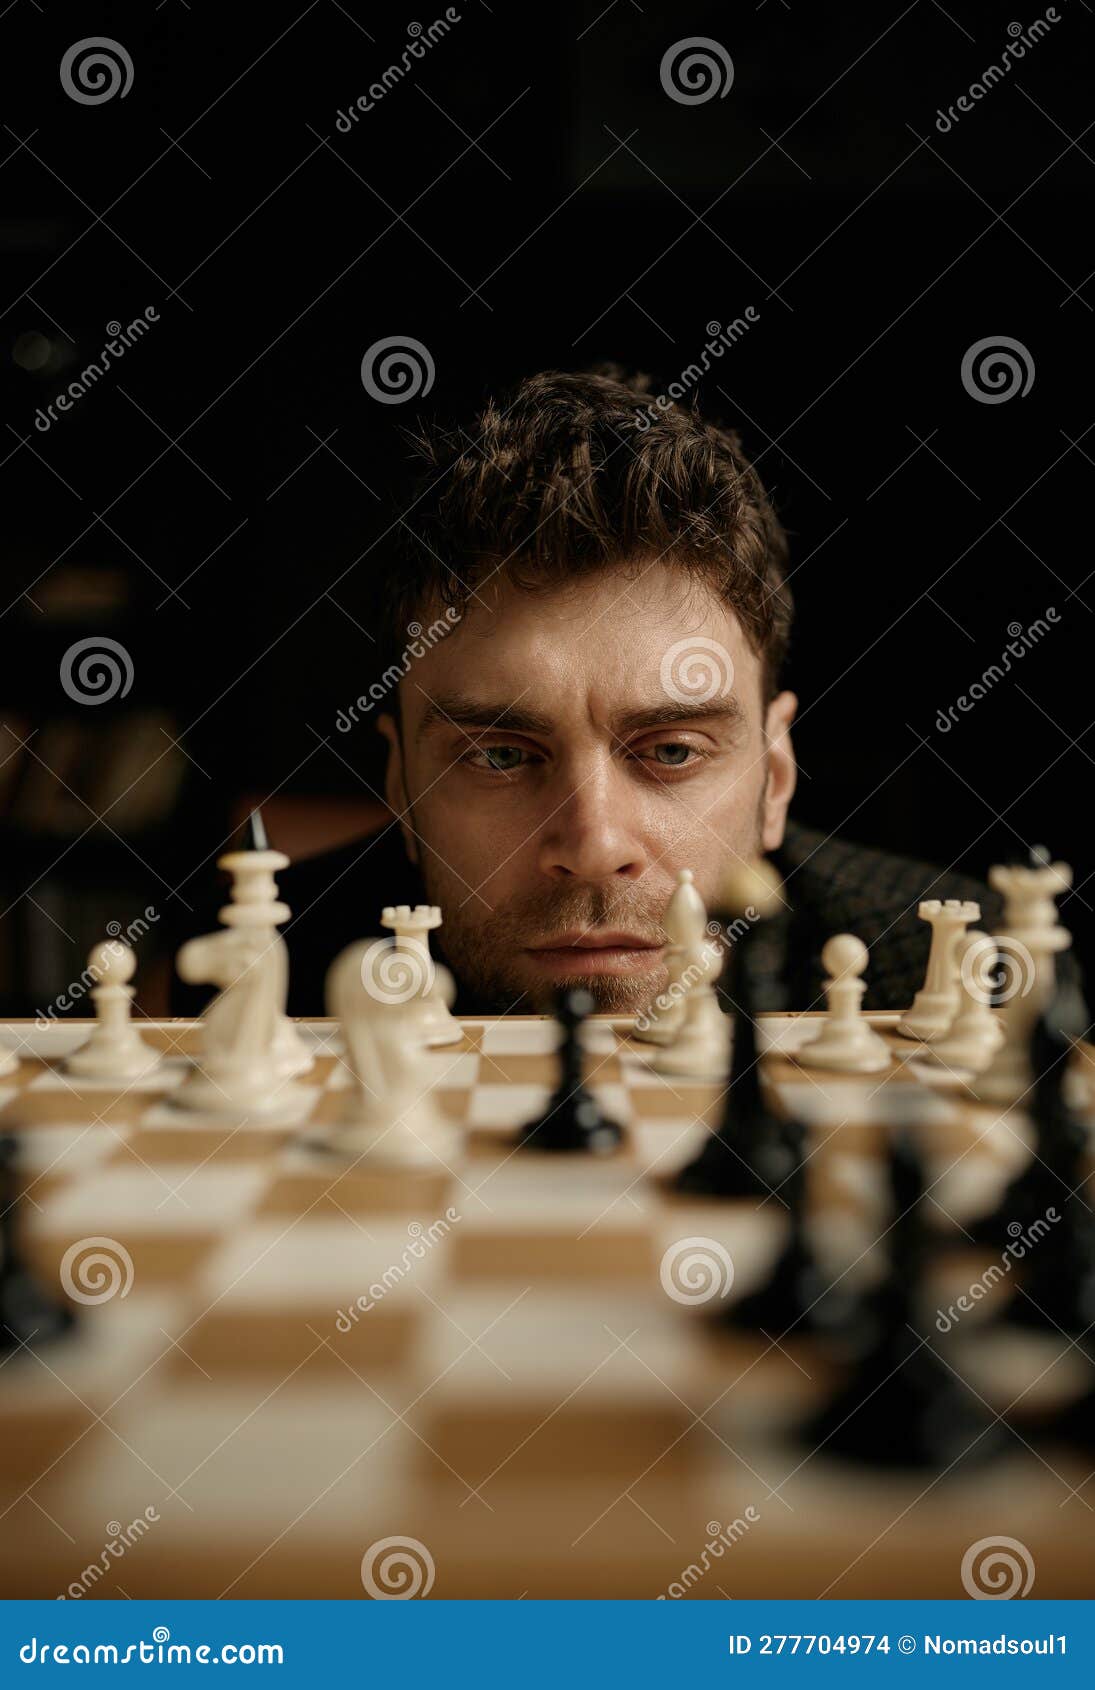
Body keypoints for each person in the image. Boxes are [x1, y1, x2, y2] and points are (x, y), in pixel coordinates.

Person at [179, 367, 996, 1017]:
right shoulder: (256, 974)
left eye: (672, 750)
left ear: (774, 776)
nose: (594, 844)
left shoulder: (950, 960)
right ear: (400, 784)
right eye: (498, 754)